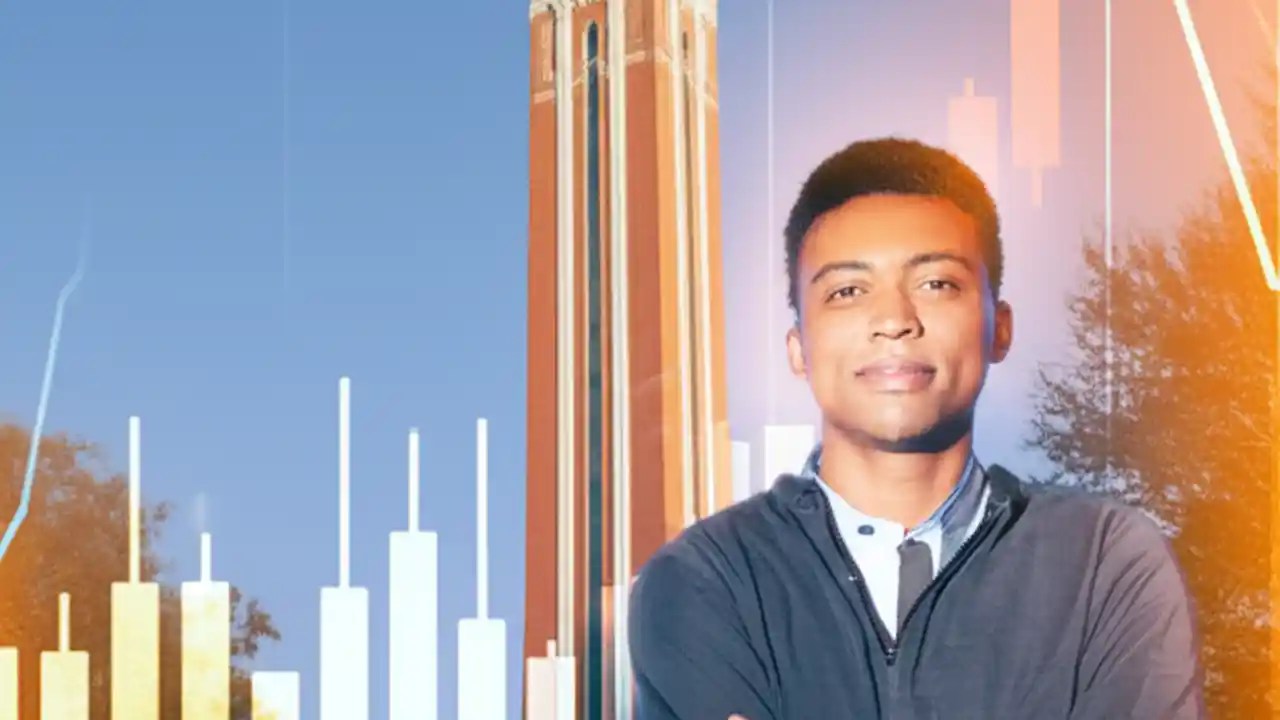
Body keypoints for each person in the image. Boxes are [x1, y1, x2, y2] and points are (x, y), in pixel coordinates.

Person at [627, 137, 1204, 719]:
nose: (894, 321)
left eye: (936, 284)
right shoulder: (707, 582)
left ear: (998, 327)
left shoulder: (1104, 565)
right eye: (848, 291)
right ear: (799, 348)